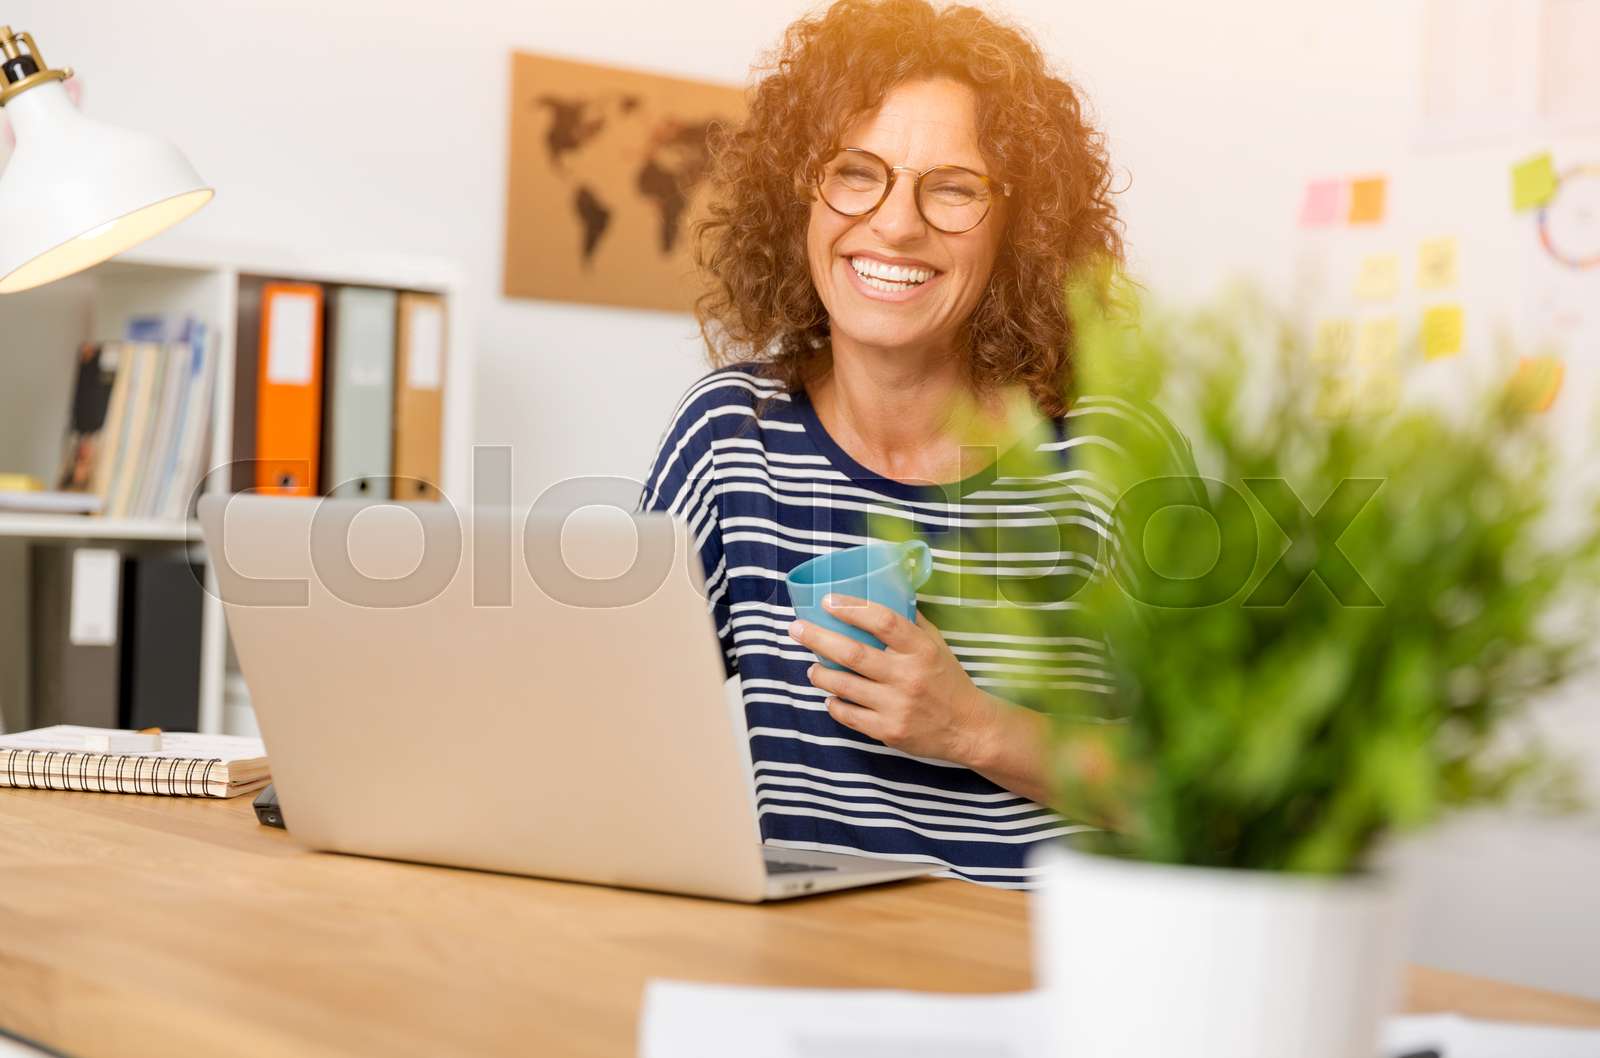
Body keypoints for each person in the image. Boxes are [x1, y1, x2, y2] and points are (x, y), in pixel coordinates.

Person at [641, 0, 1174, 887]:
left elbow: (1215, 796)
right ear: (801, 197)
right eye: (857, 173)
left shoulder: (1106, 460)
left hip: (1040, 997)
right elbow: (618, 724)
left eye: (954, 188)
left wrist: (972, 727)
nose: (895, 224)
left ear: (1019, 231)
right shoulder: (735, 438)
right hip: (803, 988)